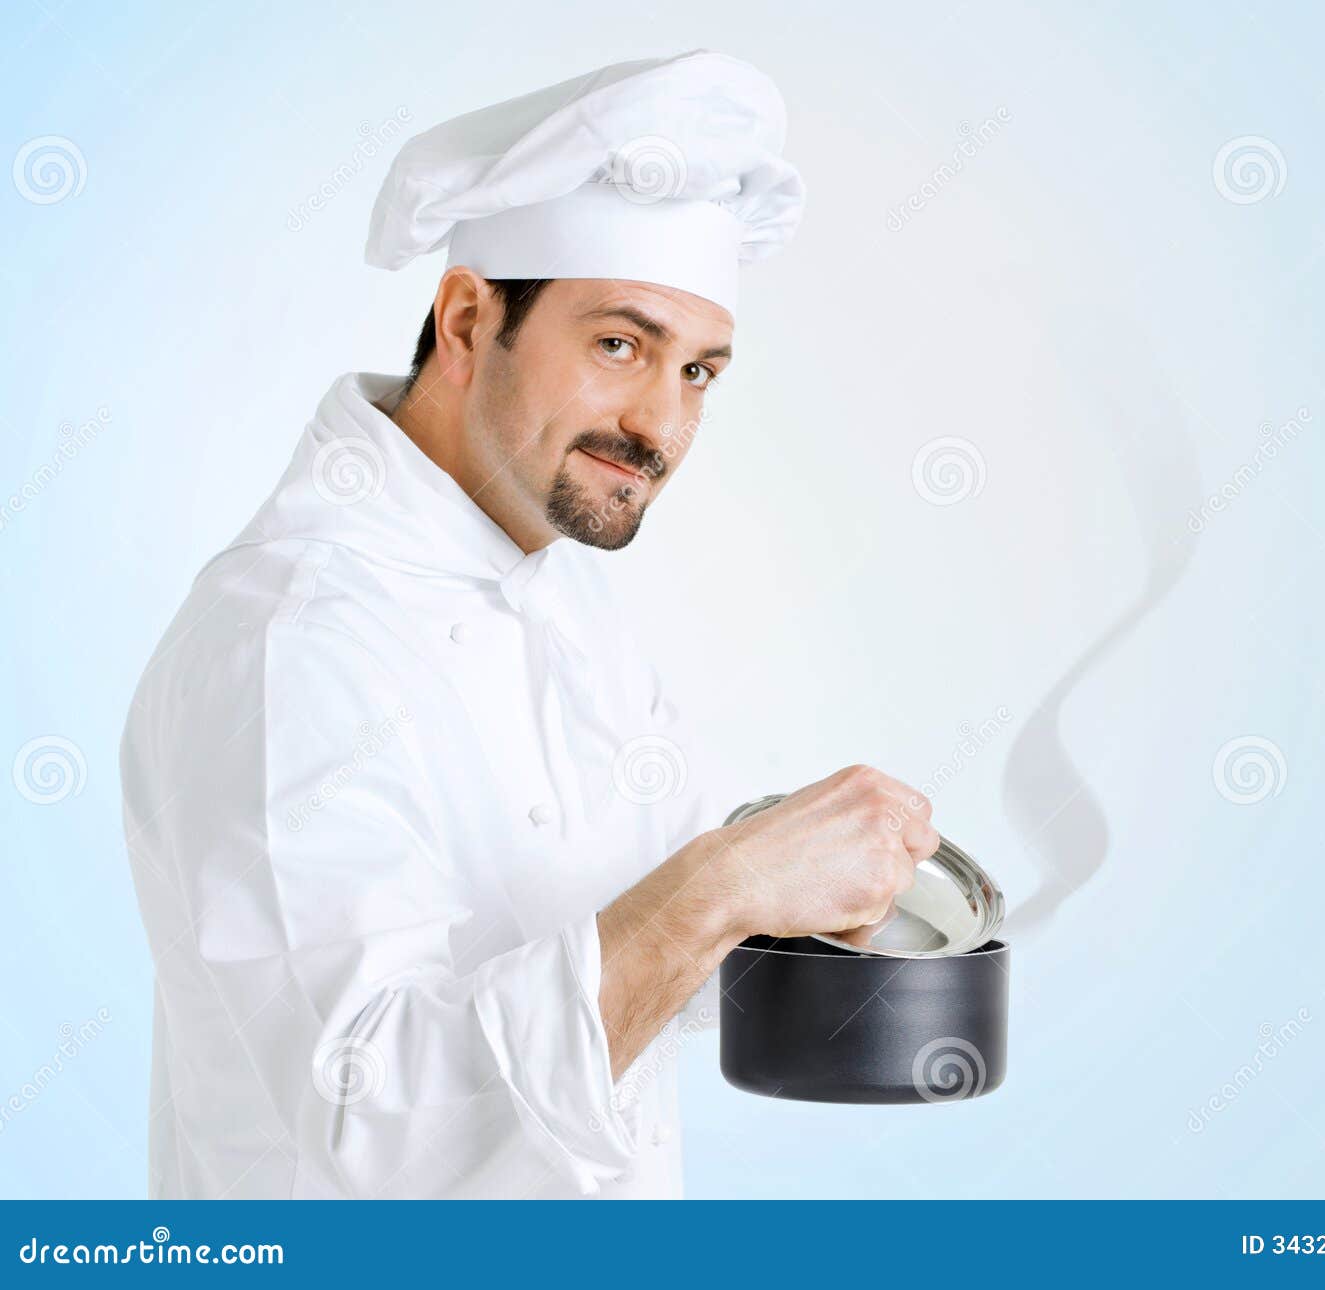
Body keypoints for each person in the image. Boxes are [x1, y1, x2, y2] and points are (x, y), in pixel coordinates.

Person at [119, 50, 939, 1200]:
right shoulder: (291, 637)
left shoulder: (557, 590)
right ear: (465, 319)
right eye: (619, 343)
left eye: (700, 370)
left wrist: (825, 904)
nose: (659, 421)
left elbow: (629, 946)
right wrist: (722, 886)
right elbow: (372, 1118)